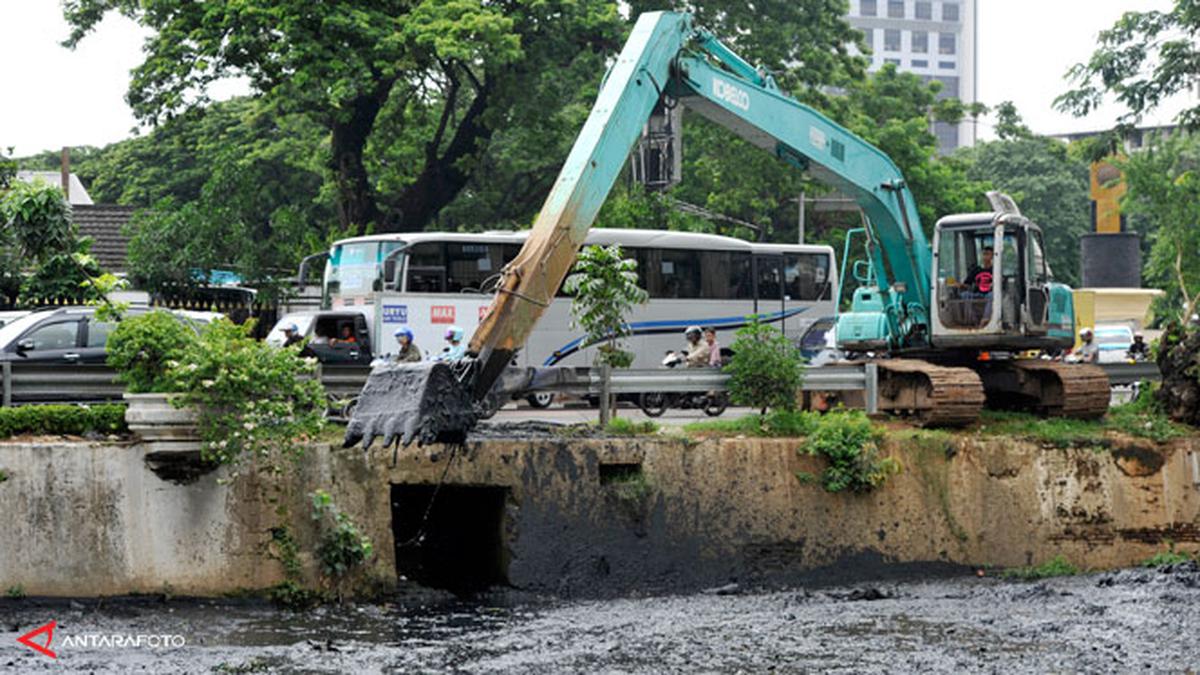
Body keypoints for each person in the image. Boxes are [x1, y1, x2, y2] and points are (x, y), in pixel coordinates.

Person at [959, 246, 994, 325]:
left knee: (992, 295)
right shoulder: (976, 269)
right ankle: (973, 320)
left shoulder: (995, 270)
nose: (985, 257)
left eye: (988, 254)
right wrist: (959, 285)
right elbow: (967, 284)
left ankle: (985, 319)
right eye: (984, 254)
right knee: (964, 295)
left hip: (989, 294)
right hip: (977, 293)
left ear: (992, 256)